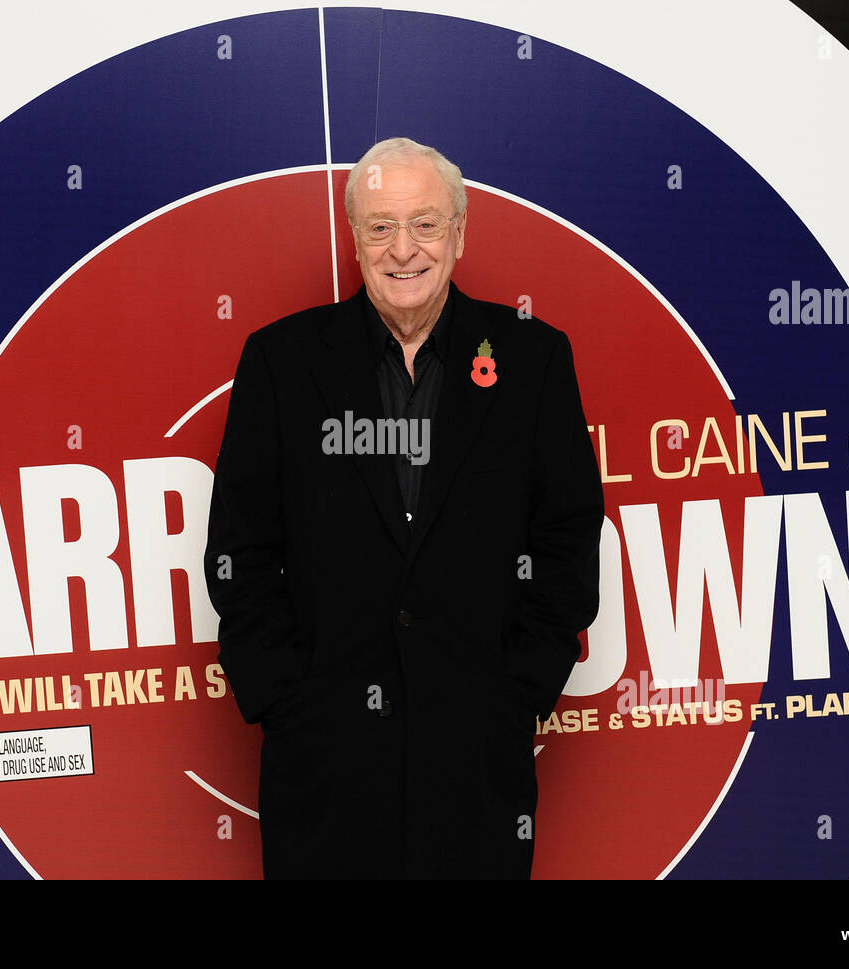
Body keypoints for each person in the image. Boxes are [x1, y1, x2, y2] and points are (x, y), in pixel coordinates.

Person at [203, 136, 604, 878]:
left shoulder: (535, 361)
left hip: (480, 765)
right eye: (380, 226)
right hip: (323, 770)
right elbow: (241, 550)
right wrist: (283, 700)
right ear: (354, 239)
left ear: (460, 231)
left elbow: (569, 536)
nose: (403, 249)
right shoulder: (279, 364)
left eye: (425, 223)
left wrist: (520, 692)